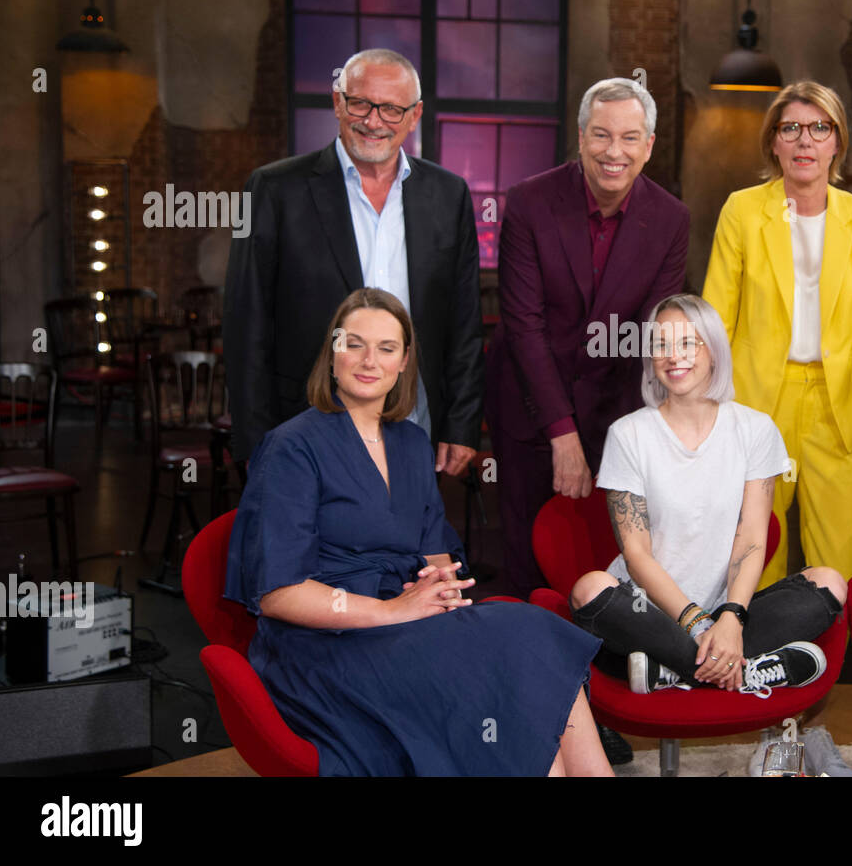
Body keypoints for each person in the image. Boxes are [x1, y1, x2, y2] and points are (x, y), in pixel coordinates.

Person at [224, 288, 611, 776]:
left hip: (408, 620)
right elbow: (279, 593)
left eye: (386, 348)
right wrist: (392, 611)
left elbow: (433, 546)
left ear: (404, 361)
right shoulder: (291, 447)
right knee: (485, 674)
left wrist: (438, 583)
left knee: (532, 632)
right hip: (328, 646)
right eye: (355, 344)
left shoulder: (410, 441)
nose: (370, 360)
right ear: (333, 352)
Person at [569, 294, 847, 696]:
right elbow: (636, 554)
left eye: (688, 342)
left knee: (830, 582)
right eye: (661, 345)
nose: (672, 356)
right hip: (649, 613)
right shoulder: (628, 434)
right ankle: (745, 671)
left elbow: (752, 537)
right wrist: (698, 624)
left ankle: (672, 672)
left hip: (726, 609)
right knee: (589, 588)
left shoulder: (755, 430)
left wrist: (731, 618)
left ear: (714, 350)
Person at [225, 48, 483, 477]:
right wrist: (256, 438)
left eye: (392, 109)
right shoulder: (272, 189)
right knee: (310, 541)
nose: (374, 121)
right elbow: (244, 323)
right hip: (303, 419)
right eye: (360, 102)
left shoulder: (449, 194)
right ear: (337, 102)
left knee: (404, 540)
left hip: (412, 417)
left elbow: (465, 324)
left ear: (415, 115)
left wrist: (461, 423)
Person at [703, 80, 852, 585]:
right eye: (792, 129)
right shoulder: (741, 209)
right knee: (756, 548)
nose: (806, 141)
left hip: (835, 406)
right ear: (774, 142)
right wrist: (702, 411)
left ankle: (826, 663)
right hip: (754, 403)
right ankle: (755, 658)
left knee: (838, 560)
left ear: (837, 142)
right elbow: (714, 317)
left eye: (819, 128)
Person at [486, 77, 689, 599]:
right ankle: (526, 672)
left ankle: (596, 678)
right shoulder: (530, 202)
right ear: (580, 138)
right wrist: (562, 434)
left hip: (615, 416)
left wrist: (640, 437)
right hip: (530, 412)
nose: (613, 152)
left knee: (606, 566)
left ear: (648, 146)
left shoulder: (670, 219)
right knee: (527, 564)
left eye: (629, 138)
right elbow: (523, 325)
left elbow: (652, 334)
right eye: (601, 135)